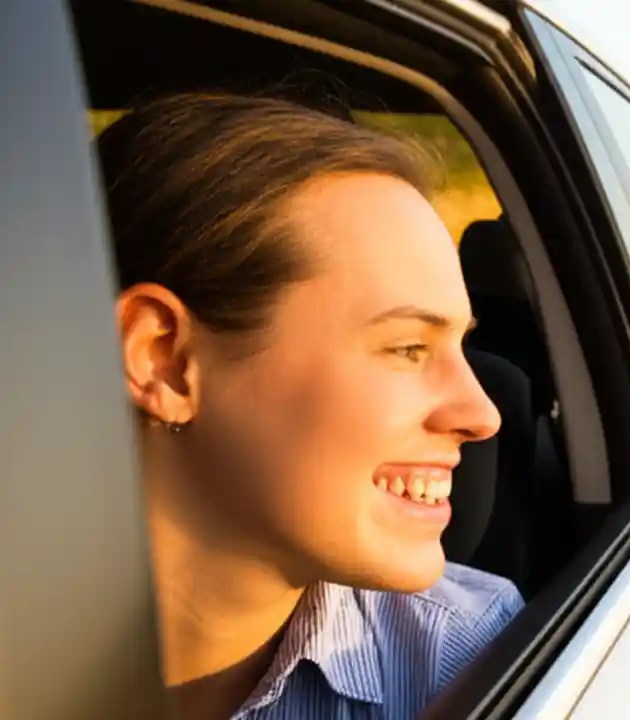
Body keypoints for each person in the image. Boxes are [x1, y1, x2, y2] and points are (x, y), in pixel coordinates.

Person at [98, 92, 523, 720]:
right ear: (162, 358)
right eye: (408, 347)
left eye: (462, 344)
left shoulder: (471, 660)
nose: (483, 414)